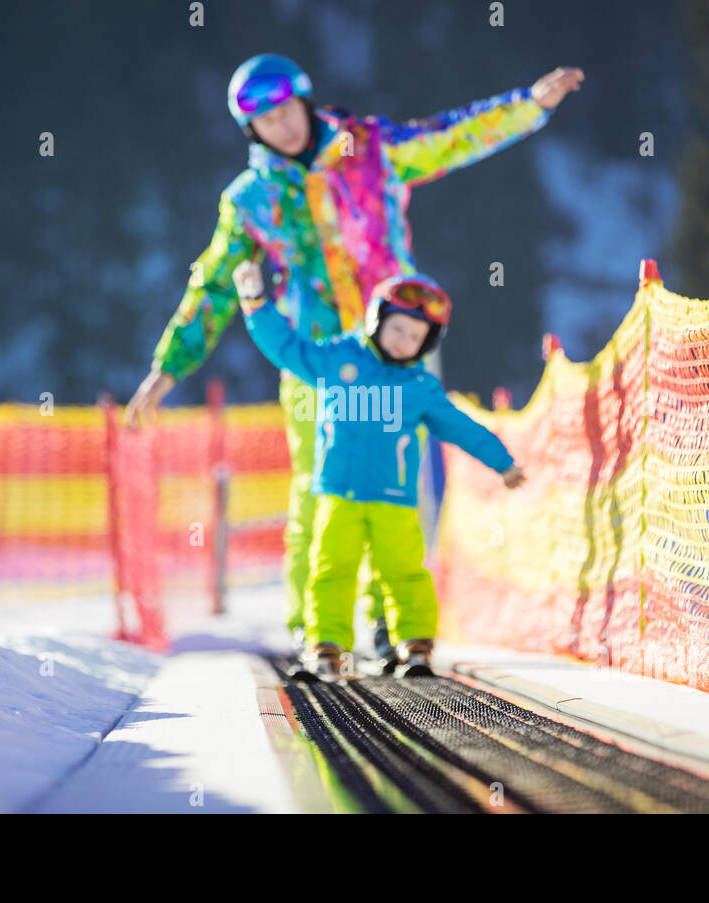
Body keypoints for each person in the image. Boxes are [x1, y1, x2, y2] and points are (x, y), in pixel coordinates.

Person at [124, 53, 581, 652]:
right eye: (266, 121)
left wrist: (528, 107)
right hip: (314, 359)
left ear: (304, 102)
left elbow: (448, 138)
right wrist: (168, 368)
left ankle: (392, 622)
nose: (282, 127)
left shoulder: (367, 149)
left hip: (396, 348)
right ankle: (317, 630)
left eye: (287, 110)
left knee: (394, 484)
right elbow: (212, 286)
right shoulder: (252, 200)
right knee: (321, 486)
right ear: (251, 131)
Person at [233, 261, 526, 679]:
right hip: (337, 495)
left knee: (403, 572)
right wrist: (256, 304)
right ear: (376, 320)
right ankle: (327, 646)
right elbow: (288, 348)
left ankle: (416, 645)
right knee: (330, 571)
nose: (405, 341)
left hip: (394, 500)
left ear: (427, 344)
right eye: (398, 329)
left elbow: (463, 429)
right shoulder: (338, 359)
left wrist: (503, 462)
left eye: (416, 336)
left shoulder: (419, 387)